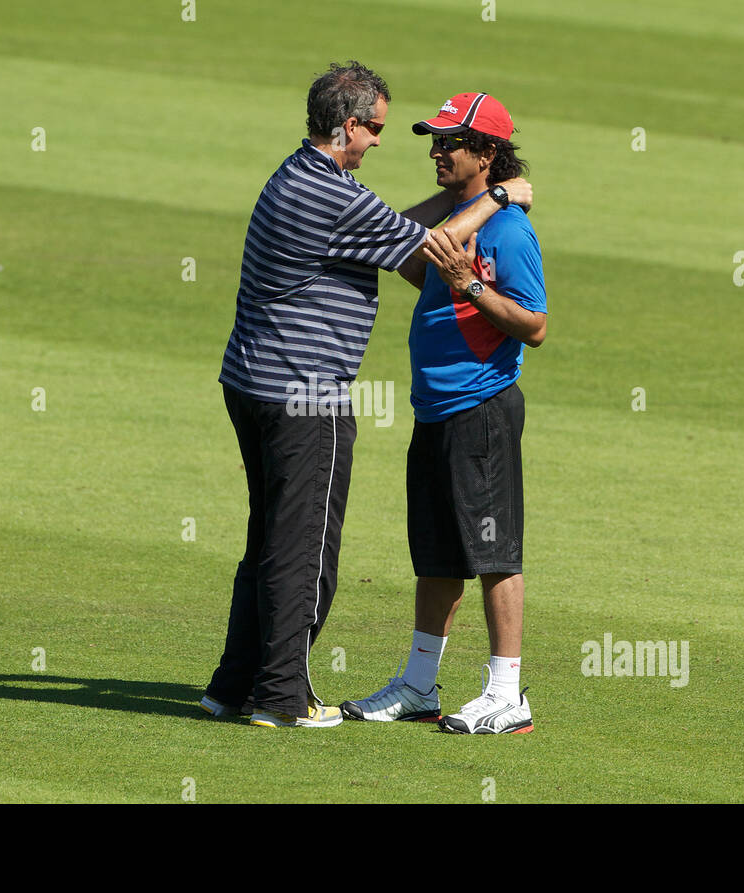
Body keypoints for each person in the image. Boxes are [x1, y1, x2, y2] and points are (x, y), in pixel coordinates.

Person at [201, 68, 534, 728]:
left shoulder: (299, 175)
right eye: (376, 127)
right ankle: (280, 696)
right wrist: (497, 195)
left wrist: (473, 197)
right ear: (347, 126)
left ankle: (233, 685)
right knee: (306, 552)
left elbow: (402, 230)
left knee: (270, 540)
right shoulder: (332, 194)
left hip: (254, 382)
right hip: (304, 394)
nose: (382, 141)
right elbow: (429, 252)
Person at [341, 93, 547, 734]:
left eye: (448, 143)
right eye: (433, 140)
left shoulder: (509, 233)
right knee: (434, 556)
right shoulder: (459, 224)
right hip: (433, 410)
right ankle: (419, 685)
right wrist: (493, 197)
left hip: (480, 410)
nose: (434, 151)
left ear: (485, 152)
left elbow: (535, 325)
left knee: (495, 555)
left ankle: (507, 694)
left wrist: (472, 286)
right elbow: (396, 249)